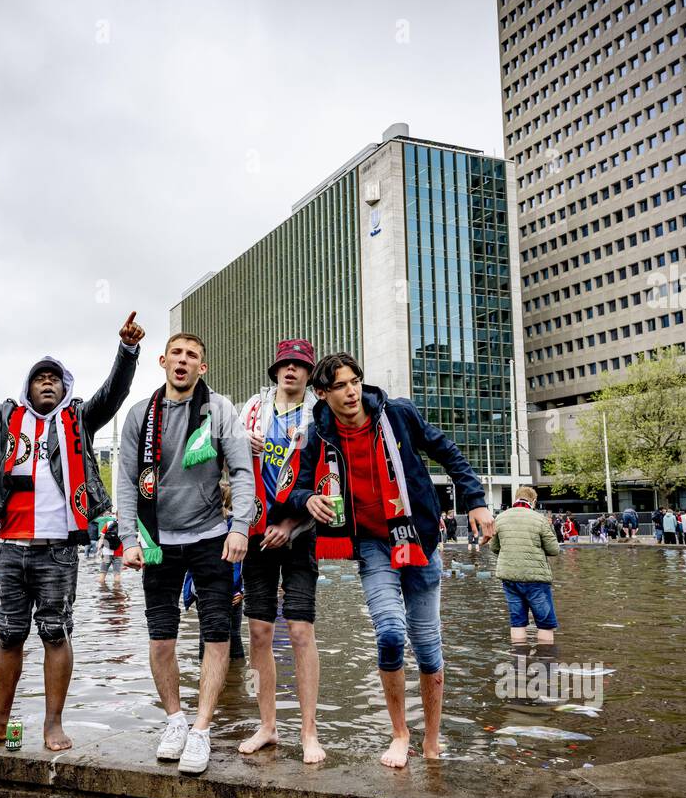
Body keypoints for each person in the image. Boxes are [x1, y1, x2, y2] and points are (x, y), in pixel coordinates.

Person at [0, 311, 143, 753]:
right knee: (8, 635)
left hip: (58, 550)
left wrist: (126, 350)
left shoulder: (79, 420)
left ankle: (52, 724)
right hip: (8, 547)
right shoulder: (6, 418)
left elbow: (115, 392)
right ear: (27, 387)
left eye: (54, 379)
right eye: (38, 378)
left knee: (54, 633)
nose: (47, 383)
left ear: (65, 387)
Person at [283, 352, 493, 769]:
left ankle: (431, 742)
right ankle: (401, 733)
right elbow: (295, 488)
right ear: (322, 394)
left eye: (355, 381)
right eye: (340, 386)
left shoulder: (397, 414)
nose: (351, 391)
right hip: (372, 545)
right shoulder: (316, 435)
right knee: (390, 634)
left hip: (420, 539)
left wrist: (477, 502)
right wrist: (310, 499)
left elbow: (448, 452)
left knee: (429, 648)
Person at [118, 331, 253, 775]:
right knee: (161, 636)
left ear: (203, 367)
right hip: (158, 539)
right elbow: (125, 481)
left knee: (218, 632)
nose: (183, 360)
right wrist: (129, 539)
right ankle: (175, 719)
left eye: (192, 355)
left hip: (212, 535)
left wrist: (240, 528)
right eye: (176, 353)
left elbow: (241, 470)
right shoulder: (141, 415)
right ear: (162, 361)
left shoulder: (220, 410)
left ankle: (201, 729)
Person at [235, 338, 324, 764]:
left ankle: (309, 731)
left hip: (300, 533)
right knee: (258, 632)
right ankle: (267, 725)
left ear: (309, 373)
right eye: (285, 364)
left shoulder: (318, 417)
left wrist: (290, 526)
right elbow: (223, 462)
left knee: (301, 631)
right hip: (255, 532)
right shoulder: (252, 408)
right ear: (275, 371)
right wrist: (240, 445)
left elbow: (326, 479)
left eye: (299, 365)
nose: (291, 370)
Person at [490, 486, 562, 682]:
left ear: (516, 498)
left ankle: (518, 664)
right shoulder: (538, 519)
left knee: (517, 620)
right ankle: (545, 666)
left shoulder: (501, 518)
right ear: (533, 501)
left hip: (510, 577)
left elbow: (494, 547)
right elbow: (554, 549)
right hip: (535, 578)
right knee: (545, 623)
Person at [97, 515, 123, 587]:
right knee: (117, 575)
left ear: (116, 515)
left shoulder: (109, 523)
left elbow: (102, 538)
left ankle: (102, 592)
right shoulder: (126, 525)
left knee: (102, 574)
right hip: (119, 553)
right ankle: (117, 593)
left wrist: (99, 549)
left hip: (106, 552)